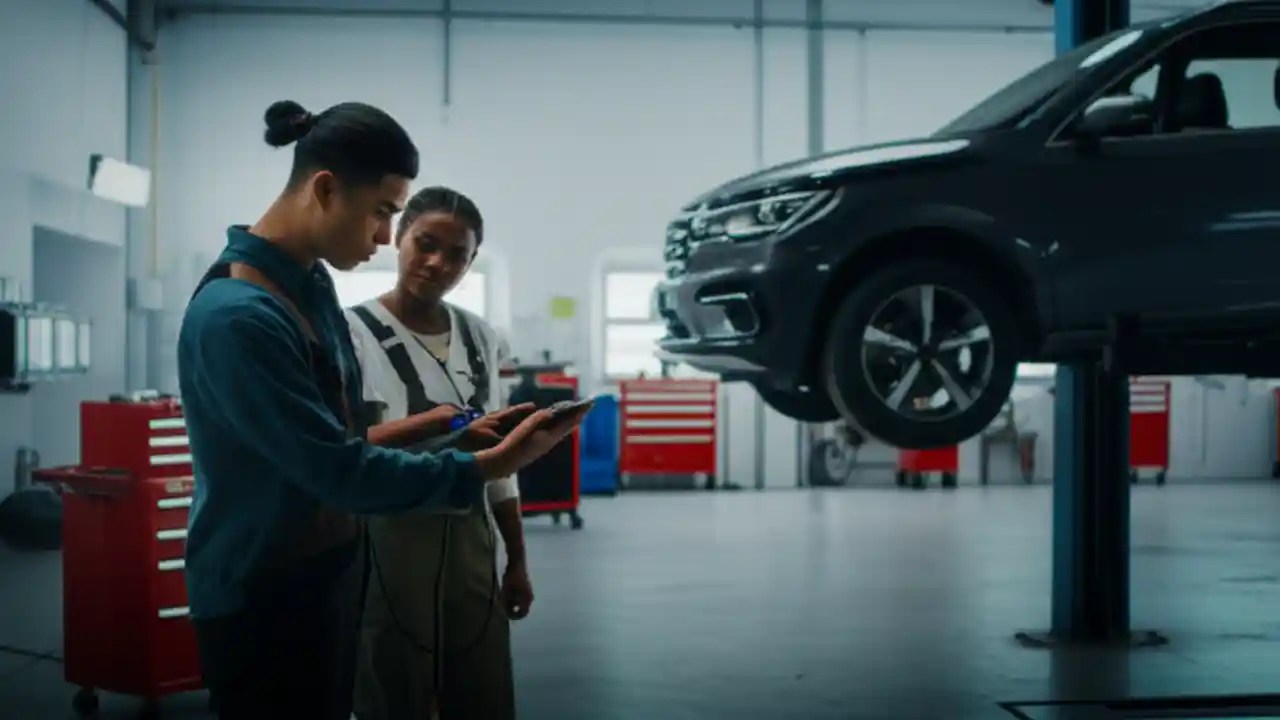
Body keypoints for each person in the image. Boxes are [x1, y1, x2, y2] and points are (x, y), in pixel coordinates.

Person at [177, 100, 591, 720]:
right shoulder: (241, 318)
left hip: (326, 571)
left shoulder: (308, 289)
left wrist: (441, 427)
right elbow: (337, 470)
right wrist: (491, 462)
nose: (380, 237)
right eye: (384, 214)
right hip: (265, 594)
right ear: (325, 189)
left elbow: (336, 436)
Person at [346, 187, 531, 719]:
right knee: (394, 685)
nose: (437, 263)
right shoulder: (351, 332)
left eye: (457, 255)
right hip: (389, 538)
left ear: (471, 263)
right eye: (425, 243)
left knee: (482, 682)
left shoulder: (479, 336)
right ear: (399, 238)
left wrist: (516, 559)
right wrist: (439, 427)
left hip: (473, 540)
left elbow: (502, 469)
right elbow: (343, 449)